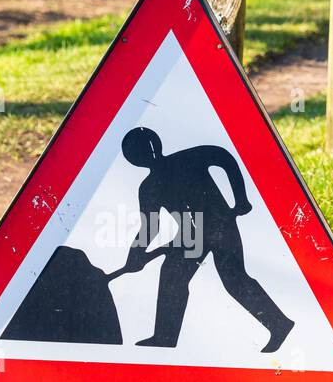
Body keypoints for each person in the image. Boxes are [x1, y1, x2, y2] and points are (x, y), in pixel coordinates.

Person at [118, 126, 294, 353]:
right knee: (172, 277)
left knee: (234, 280)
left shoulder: (189, 158)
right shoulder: (149, 187)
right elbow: (150, 227)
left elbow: (224, 156)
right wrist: (135, 255)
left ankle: (278, 323)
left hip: (219, 224)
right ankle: (164, 337)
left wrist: (241, 199)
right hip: (190, 235)